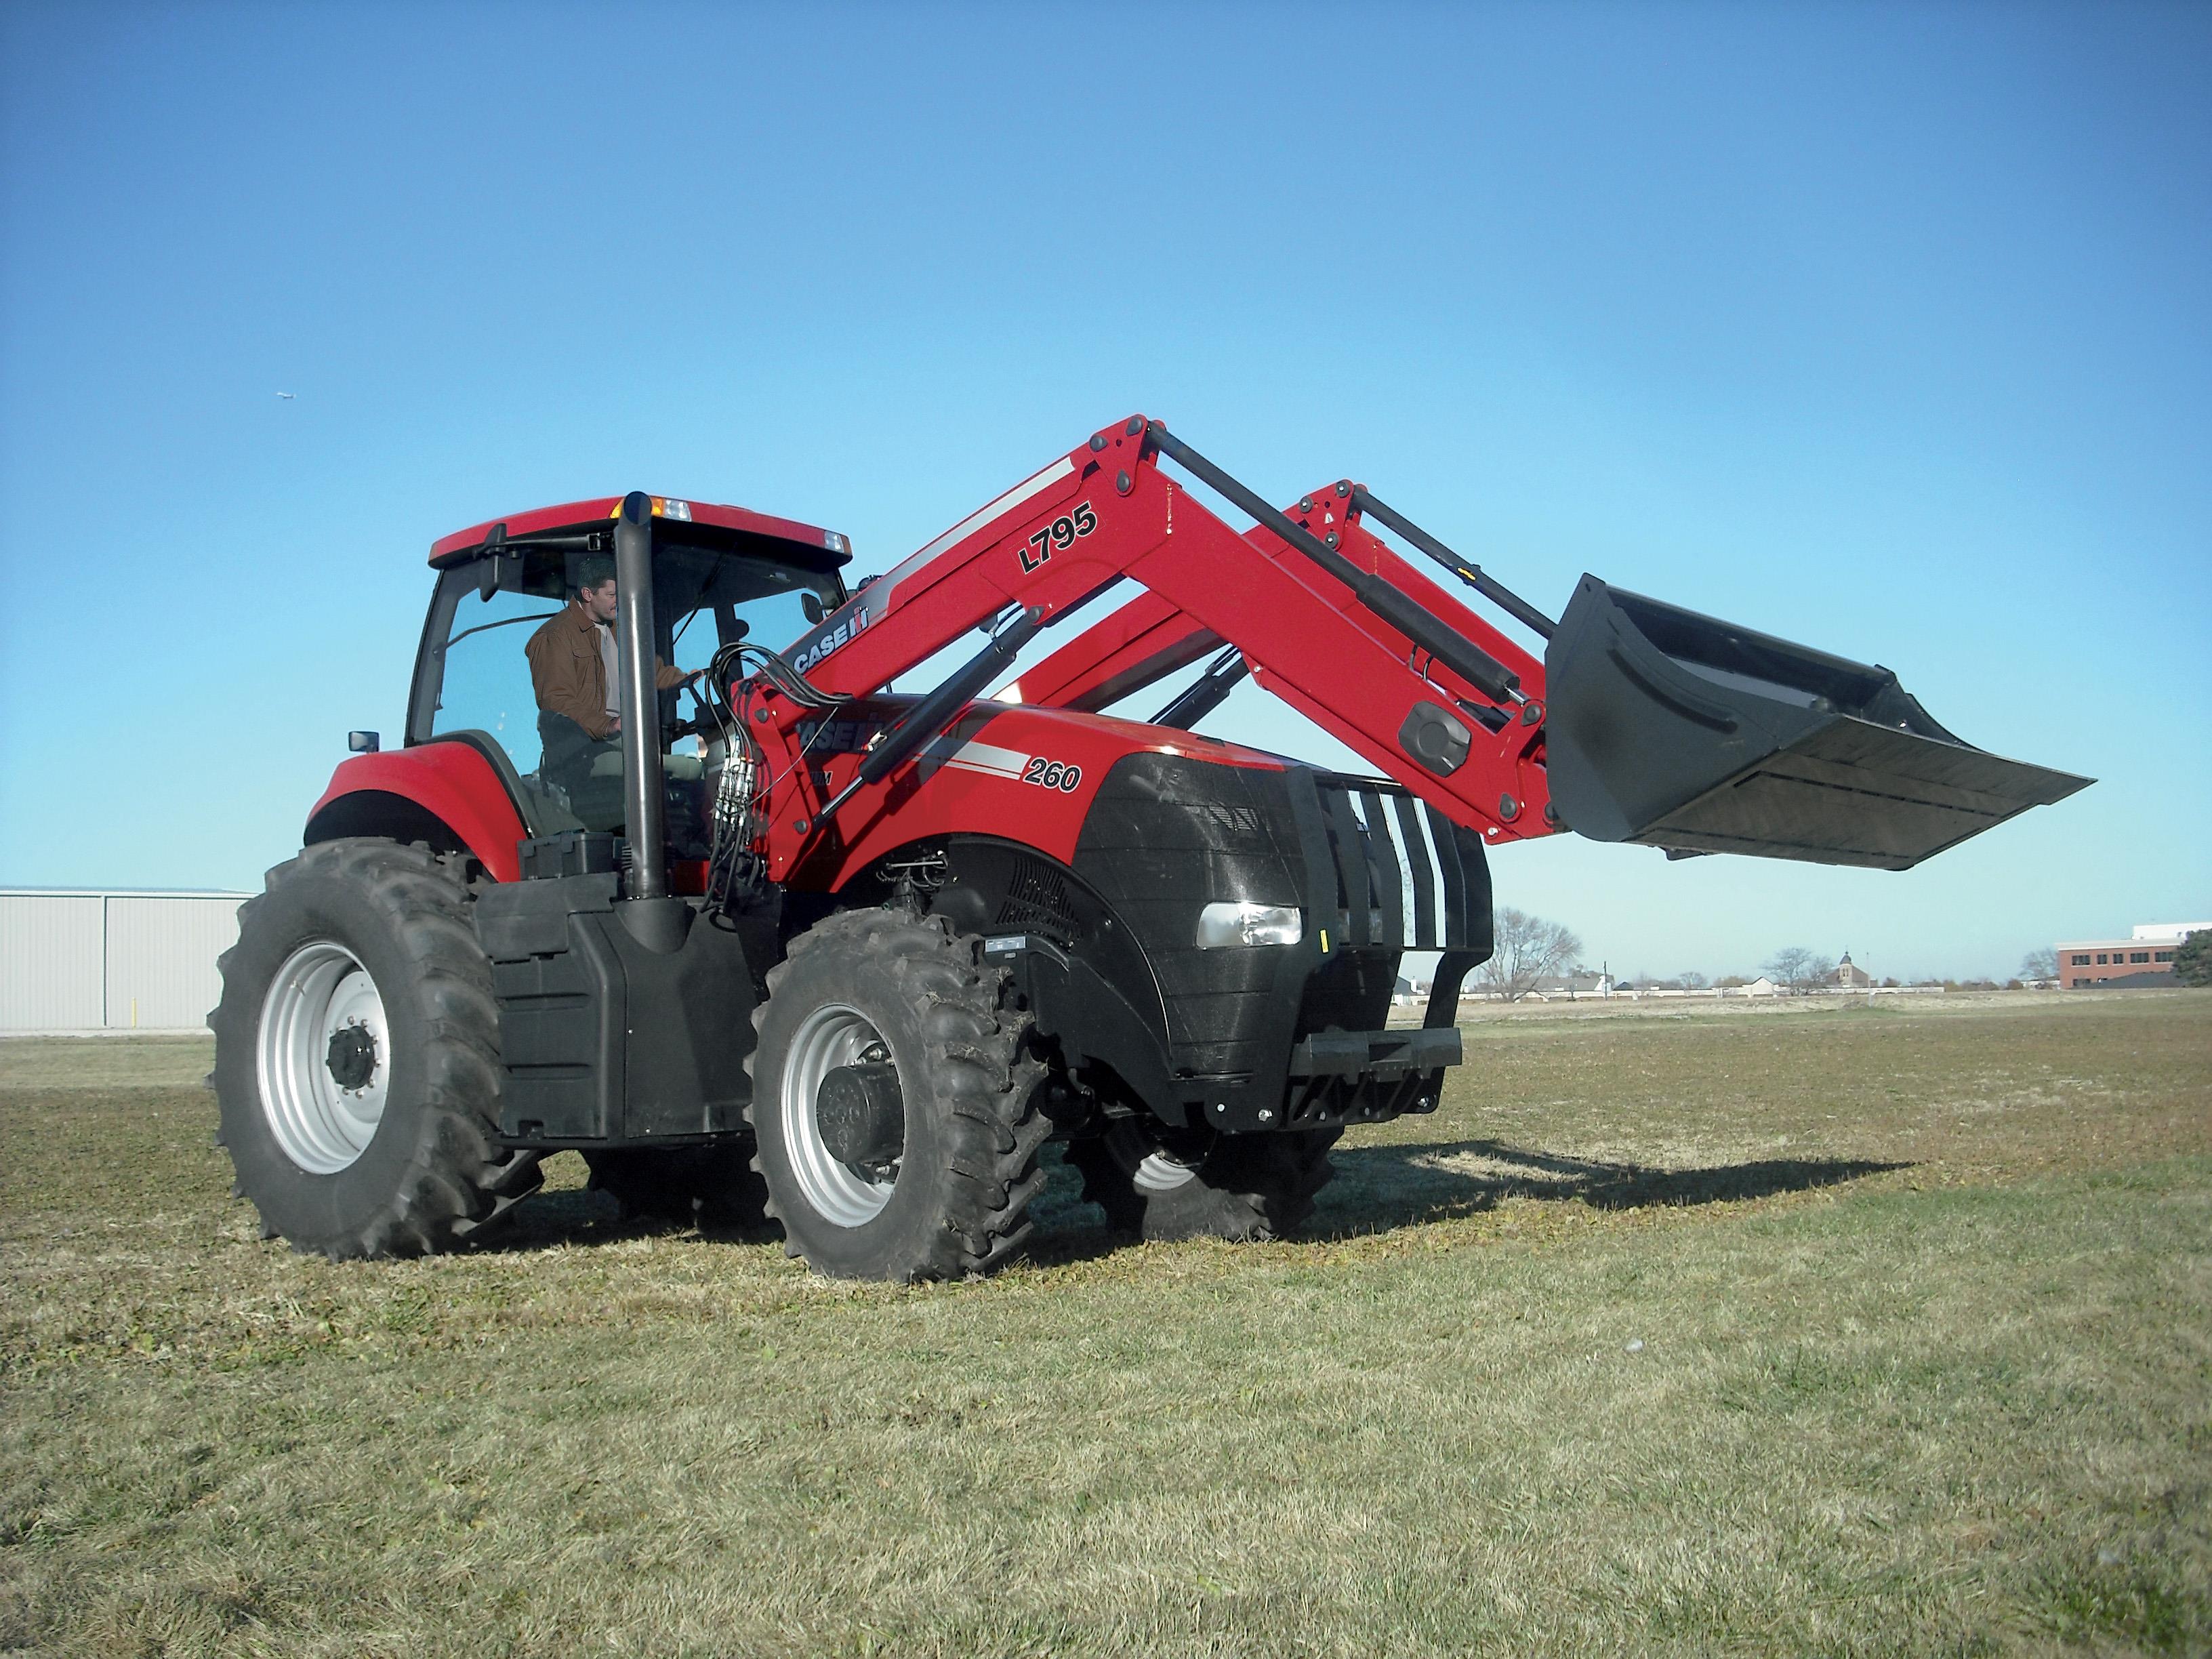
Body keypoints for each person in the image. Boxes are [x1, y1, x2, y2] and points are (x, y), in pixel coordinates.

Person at [526, 556, 697, 827]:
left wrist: (688, 683)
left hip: (626, 768)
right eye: (611, 595)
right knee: (697, 774)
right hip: (588, 789)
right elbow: (592, 749)